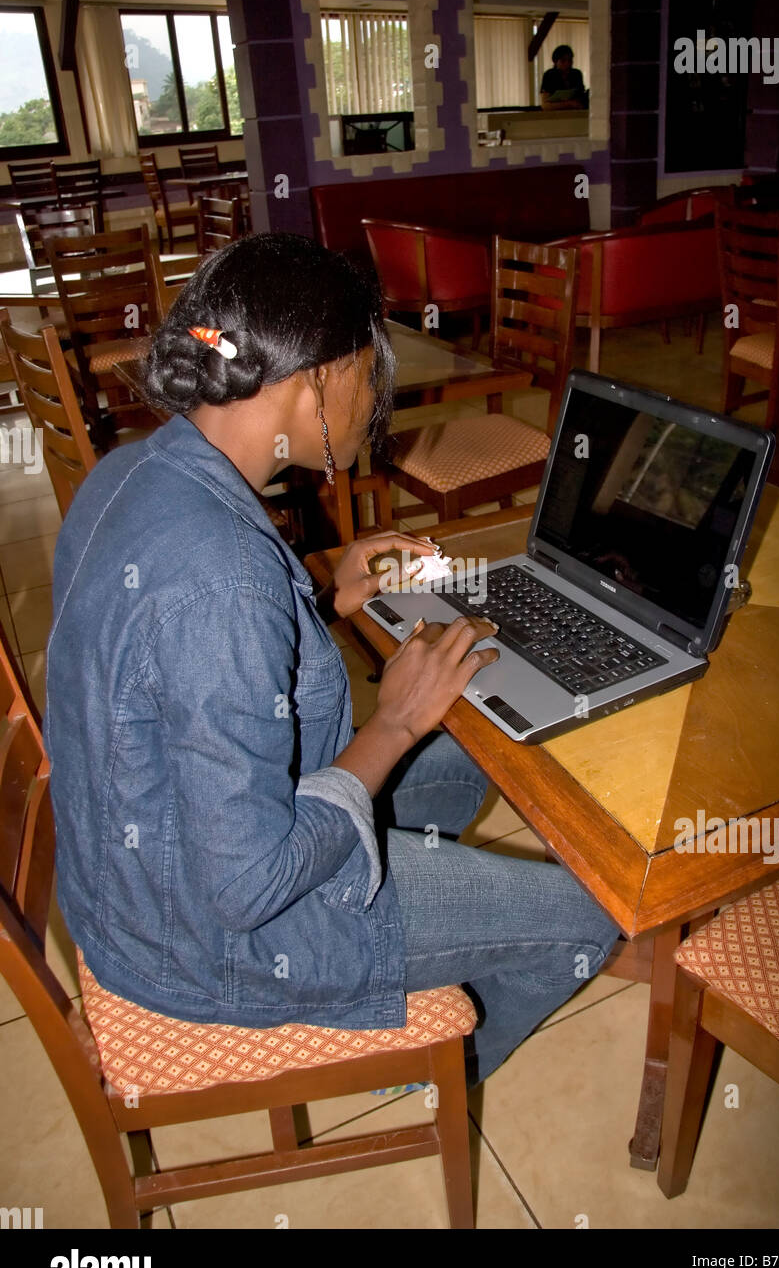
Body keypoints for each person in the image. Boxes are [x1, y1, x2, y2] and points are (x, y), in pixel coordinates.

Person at [44, 233, 618, 1088]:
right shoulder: (223, 578)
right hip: (214, 936)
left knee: (469, 742)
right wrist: (390, 724)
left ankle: (420, 909)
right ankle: (422, 1071)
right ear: (316, 379)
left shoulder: (137, 469)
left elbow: (187, 670)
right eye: (367, 370)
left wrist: (321, 594)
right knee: (585, 918)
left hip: (140, 875)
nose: (373, 397)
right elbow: (249, 884)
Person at [540, 44, 587, 110]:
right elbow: (545, 105)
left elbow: (581, 100)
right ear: (556, 62)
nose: (567, 64)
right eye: (563, 61)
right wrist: (569, 104)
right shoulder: (549, 75)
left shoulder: (576, 74)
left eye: (570, 60)